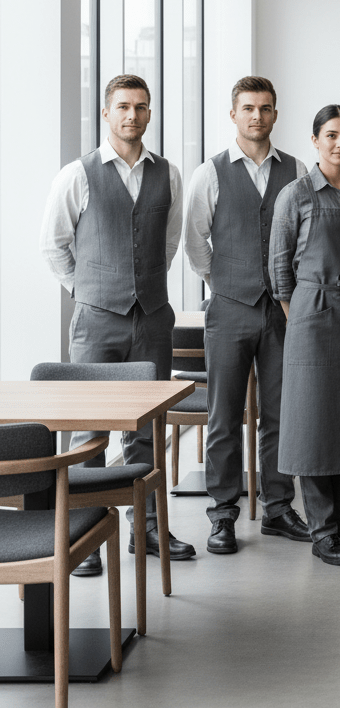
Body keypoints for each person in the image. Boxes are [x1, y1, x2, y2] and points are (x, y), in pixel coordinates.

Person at [40, 73, 195, 576]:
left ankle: (146, 527)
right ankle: (79, 529)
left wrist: (141, 288)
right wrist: (89, 292)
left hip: (151, 320)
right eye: (123, 106)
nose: (133, 115)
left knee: (149, 428)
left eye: (142, 106)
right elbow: (54, 246)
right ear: (106, 114)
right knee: (86, 428)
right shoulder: (77, 175)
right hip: (95, 322)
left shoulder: (168, 174)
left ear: (150, 114)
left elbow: (168, 243)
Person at [183, 76, 308, 554]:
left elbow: (302, 238)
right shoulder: (210, 173)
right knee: (223, 415)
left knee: (281, 414)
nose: (258, 116)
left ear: (276, 114)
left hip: (280, 311)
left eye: (266, 108)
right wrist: (222, 282)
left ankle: (279, 507)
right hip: (229, 311)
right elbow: (195, 242)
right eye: (249, 108)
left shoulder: (296, 170)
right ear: (233, 114)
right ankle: (222, 514)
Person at [269, 105, 340, 567]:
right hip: (312, 318)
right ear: (315, 140)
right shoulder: (294, 196)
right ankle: (322, 529)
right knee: (315, 425)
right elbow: (279, 269)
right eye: (332, 135)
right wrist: (302, 319)